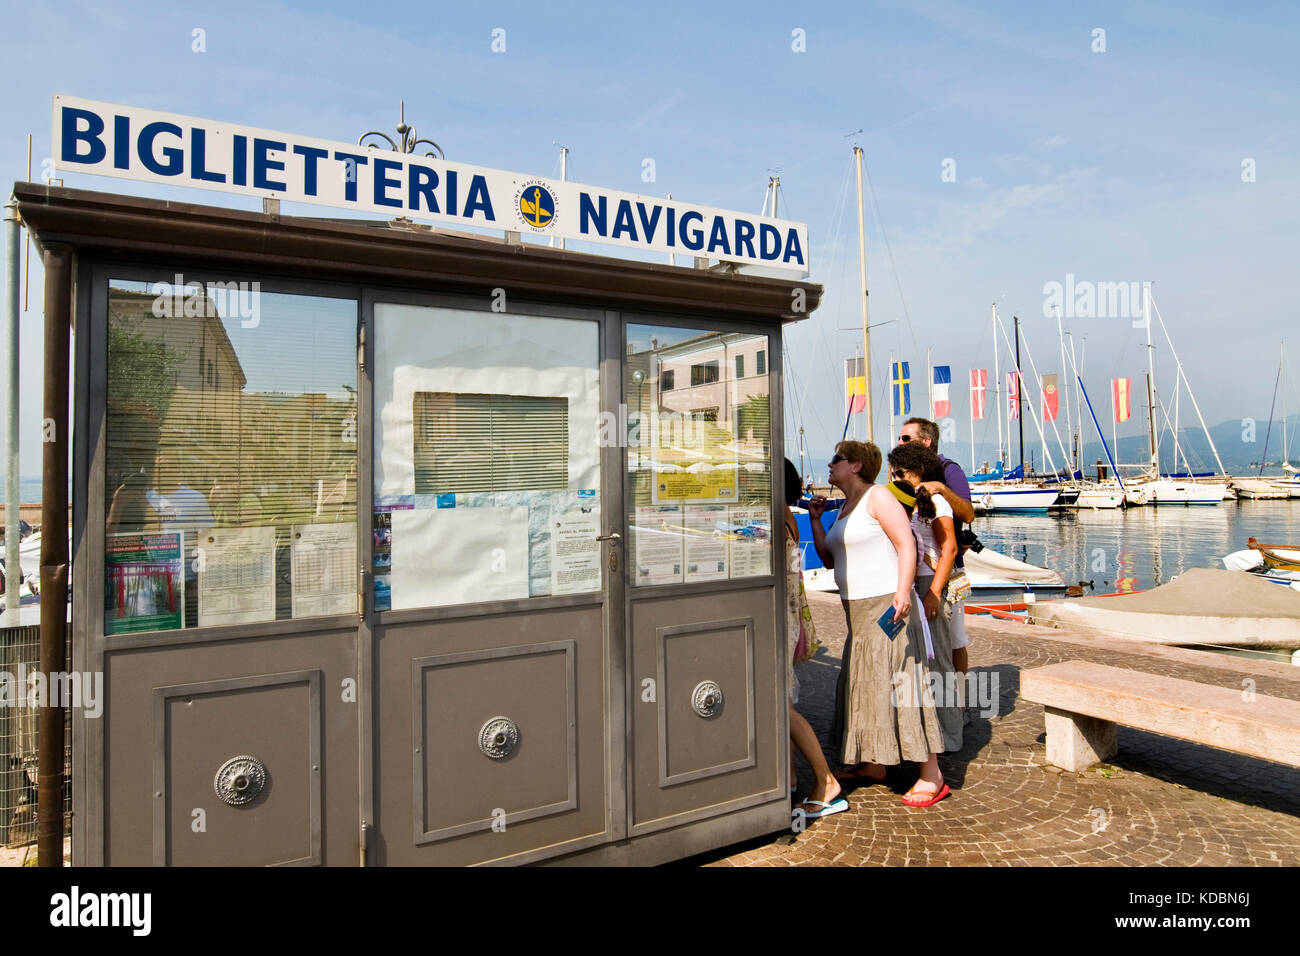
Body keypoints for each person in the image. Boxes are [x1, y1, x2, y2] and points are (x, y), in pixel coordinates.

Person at [808, 440, 950, 808]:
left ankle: (931, 774)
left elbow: (907, 545)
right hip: (855, 611)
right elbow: (826, 560)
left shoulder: (878, 497)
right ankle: (874, 764)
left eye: (836, 459)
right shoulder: (844, 510)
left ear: (855, 466)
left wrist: (903, 591)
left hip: (887, 604)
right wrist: (814, 521)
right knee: (869, 683)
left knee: (904, 680)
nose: (830, 463)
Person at [887, 443, 963, 754]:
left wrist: (933, 594)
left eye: (899, 472)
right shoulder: (908, 501)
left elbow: (950, 549)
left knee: (939, 661)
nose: (894, 478)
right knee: (917, 662)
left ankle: (949, 735)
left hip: (931, 583)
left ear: (917, 472)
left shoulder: (936, 502)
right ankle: (922, 732)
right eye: (893, 473)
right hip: (914, 583)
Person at [782, 459, 844, 819]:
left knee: (781, 706)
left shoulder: (776, 516)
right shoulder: (789, 516)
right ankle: (788, 779)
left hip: (777, 620)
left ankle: (826, 781)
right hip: (789, 620)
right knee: (785, 699)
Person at [899, 417, 975, 709]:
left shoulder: (948, 470)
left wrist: (942, 489)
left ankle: (958, 703)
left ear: (926, 441)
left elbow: (968, 514)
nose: (900, 442)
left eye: (906, 438)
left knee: (953, 639)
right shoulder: (905, 475)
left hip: (946, 568)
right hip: (920, 568)